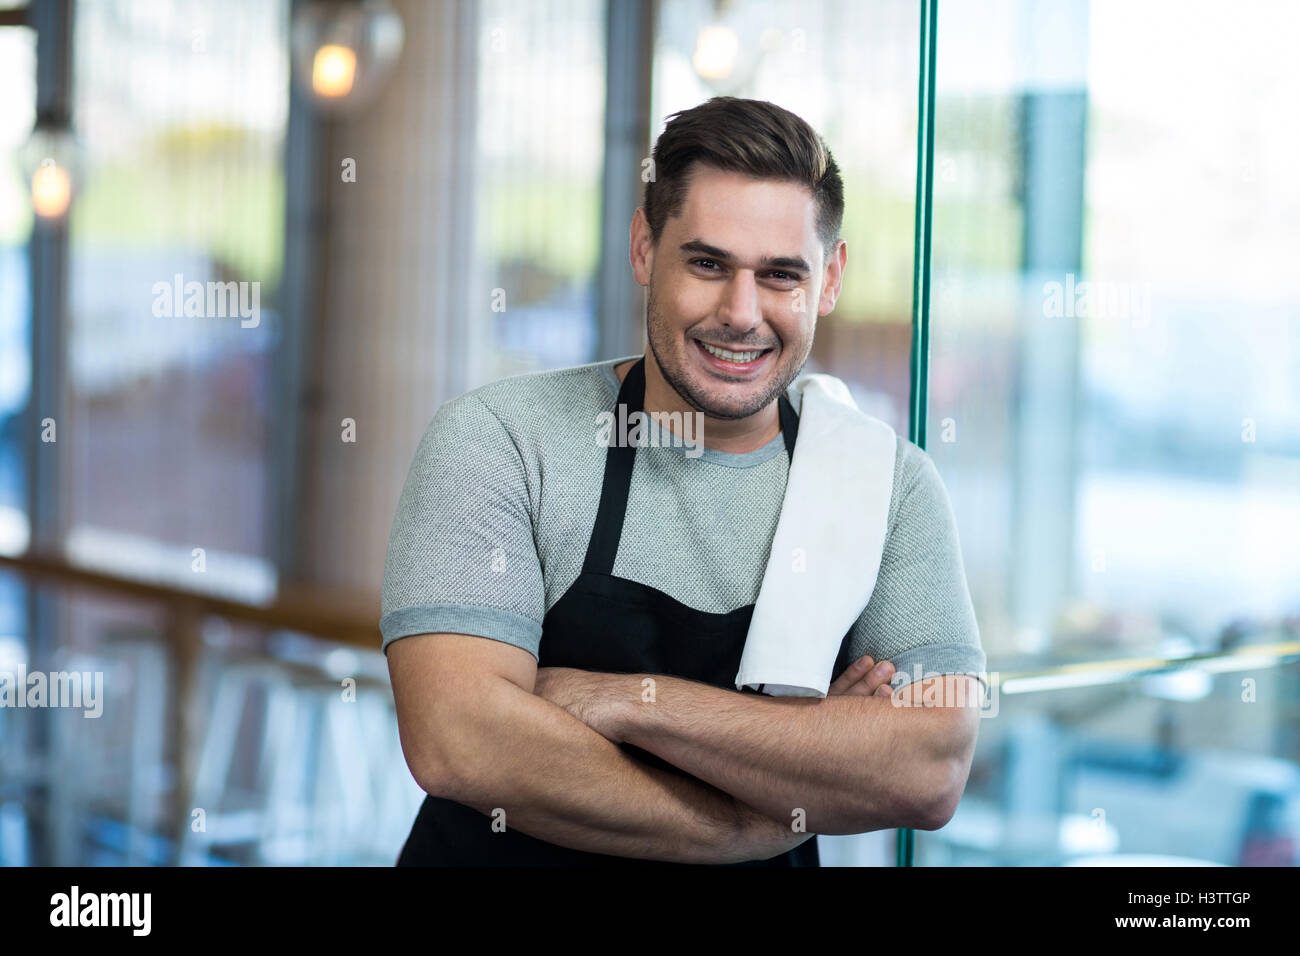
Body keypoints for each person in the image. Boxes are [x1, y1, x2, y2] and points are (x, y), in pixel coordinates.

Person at [382, 96, 986, 866]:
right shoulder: (503, 439)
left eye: (780, 275)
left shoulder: (889, 486)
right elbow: (459, 742)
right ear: (643, 249)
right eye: (707, 264)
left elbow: (929, 768)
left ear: (829, 279)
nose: (741, 313)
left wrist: (621, 701)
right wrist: (757, 819)